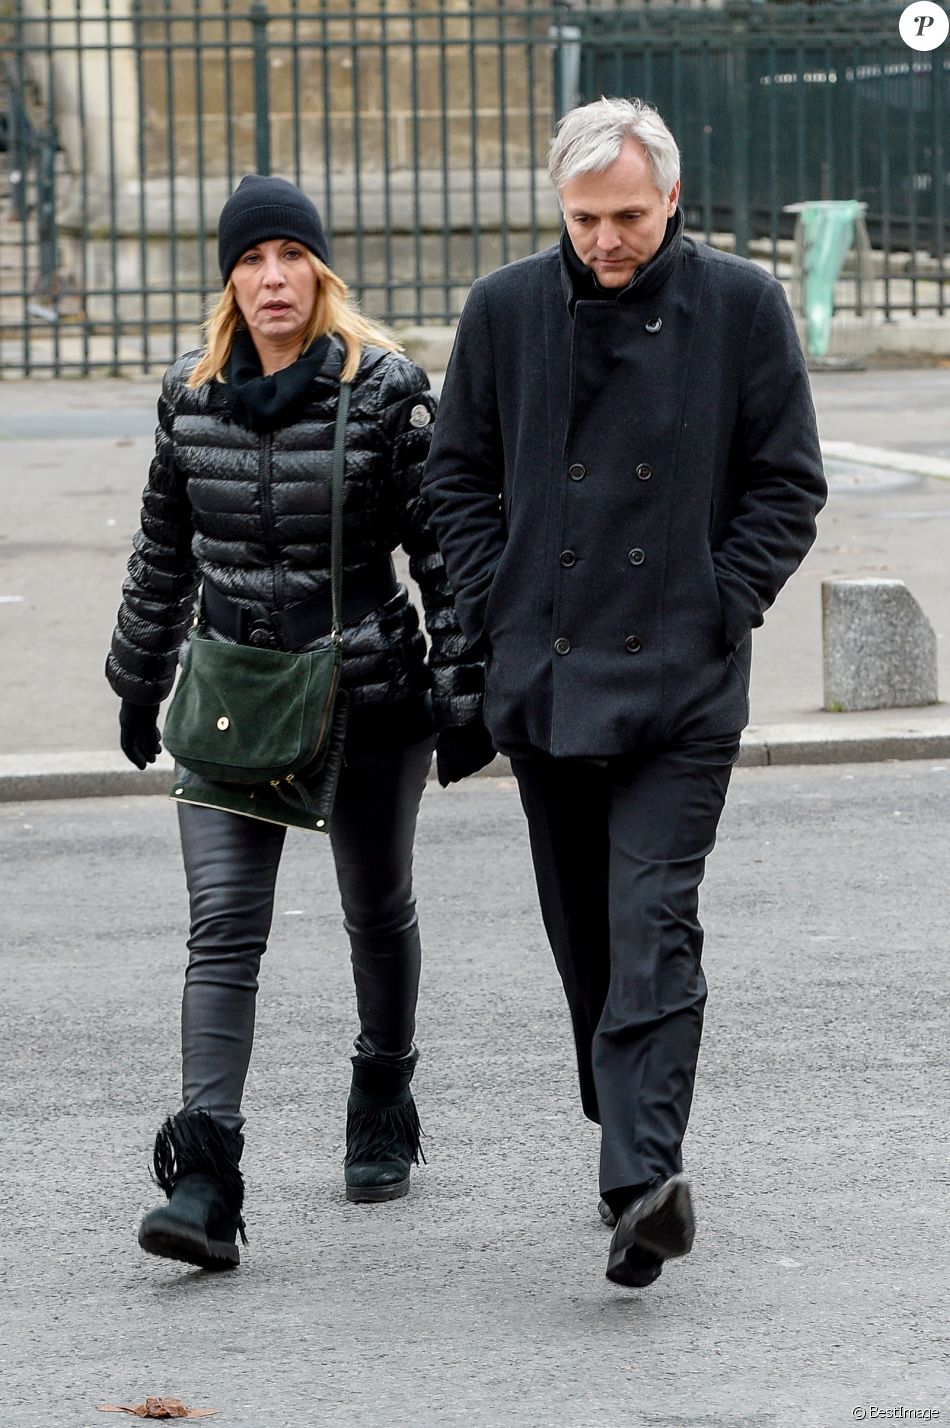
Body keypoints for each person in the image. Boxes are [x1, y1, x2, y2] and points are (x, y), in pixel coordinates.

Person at [422, 99, 827, 1289]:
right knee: (584, 936)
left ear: (672, 202)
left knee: (651, 916)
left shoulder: (740, 307)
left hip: (680, 680)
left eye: (629, 218)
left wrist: (718, 602)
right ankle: (625, 1129)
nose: (606, 240)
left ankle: (642, 1177)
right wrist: (497, 602)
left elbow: (786, 483)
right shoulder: (503, 311)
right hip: (544, 671)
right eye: (585, 218)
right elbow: (455, 479)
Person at [107, 174, 493, 1270]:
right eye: (251, 259)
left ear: (320, 274)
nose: (272, 278)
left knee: (375, 906)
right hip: (231, 696)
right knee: (224, 926)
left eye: (291, 258)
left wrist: (463, 692)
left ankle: (382, 1091)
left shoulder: (387, 391)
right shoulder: (189, 394)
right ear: (229, 280)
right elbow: (164, 549)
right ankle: (205, 1178)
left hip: (366, 691)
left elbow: (442, 552)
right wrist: (137, 679)